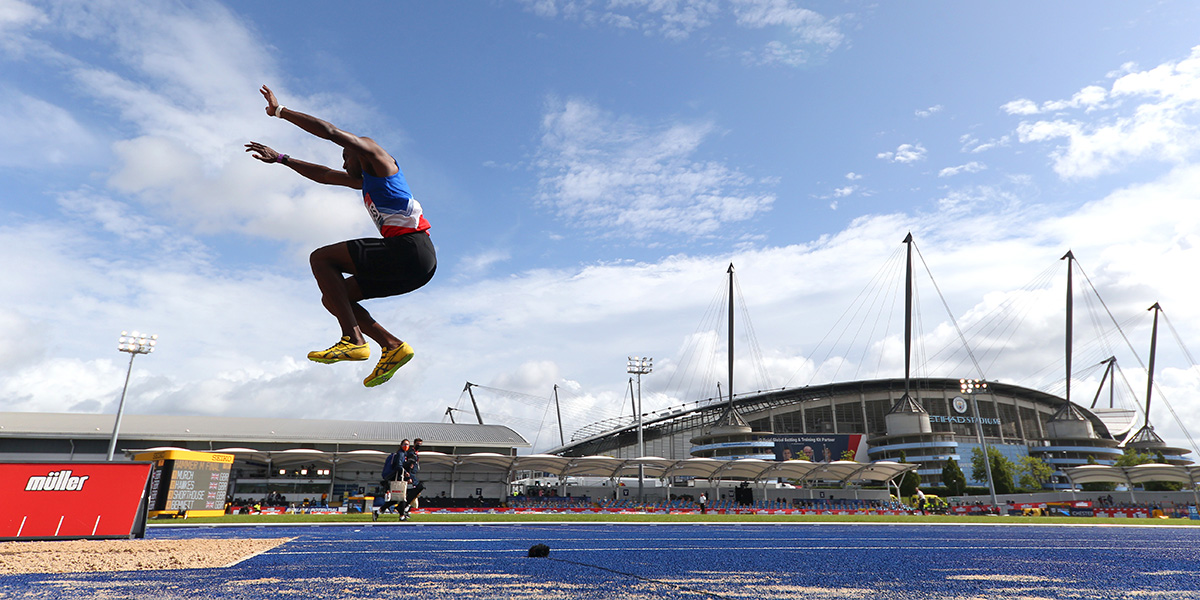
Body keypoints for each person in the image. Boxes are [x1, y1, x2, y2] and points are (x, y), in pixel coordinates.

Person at [245, 85, 436, 388]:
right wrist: (281, 158)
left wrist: (280, 112)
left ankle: (353, 340)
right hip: (417, 269)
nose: (344, 164)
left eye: (345, 157)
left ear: (358, 152)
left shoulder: (378, 158)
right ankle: (392, 346)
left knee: (322, 258)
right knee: (335, 298)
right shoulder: (367, 181)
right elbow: (323, 175)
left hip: (409, 249)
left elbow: (331, 132)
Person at [374, 440, 410, 521]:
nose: (406, 446)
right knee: (402, 497)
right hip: (397, 478)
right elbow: (398, 466)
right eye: (405, 444)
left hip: (395, 478)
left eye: (407, 444)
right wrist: (405, 472)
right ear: (401, 445)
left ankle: (379, 511)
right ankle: (402, 516)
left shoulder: (401, 454)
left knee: (397, 498)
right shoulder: (401, 454)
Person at [402, 438, 425, 520]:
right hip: (410, 475)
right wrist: (408, 477)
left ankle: (406, 508)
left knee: (415, 492)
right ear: (414, 444)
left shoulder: (415, 453)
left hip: (413, 474)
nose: (419, 445)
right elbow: (409, 465)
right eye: (418, 444)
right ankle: (404, 508)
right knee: (419, 488)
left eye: (420, 444)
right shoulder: (411, 453)